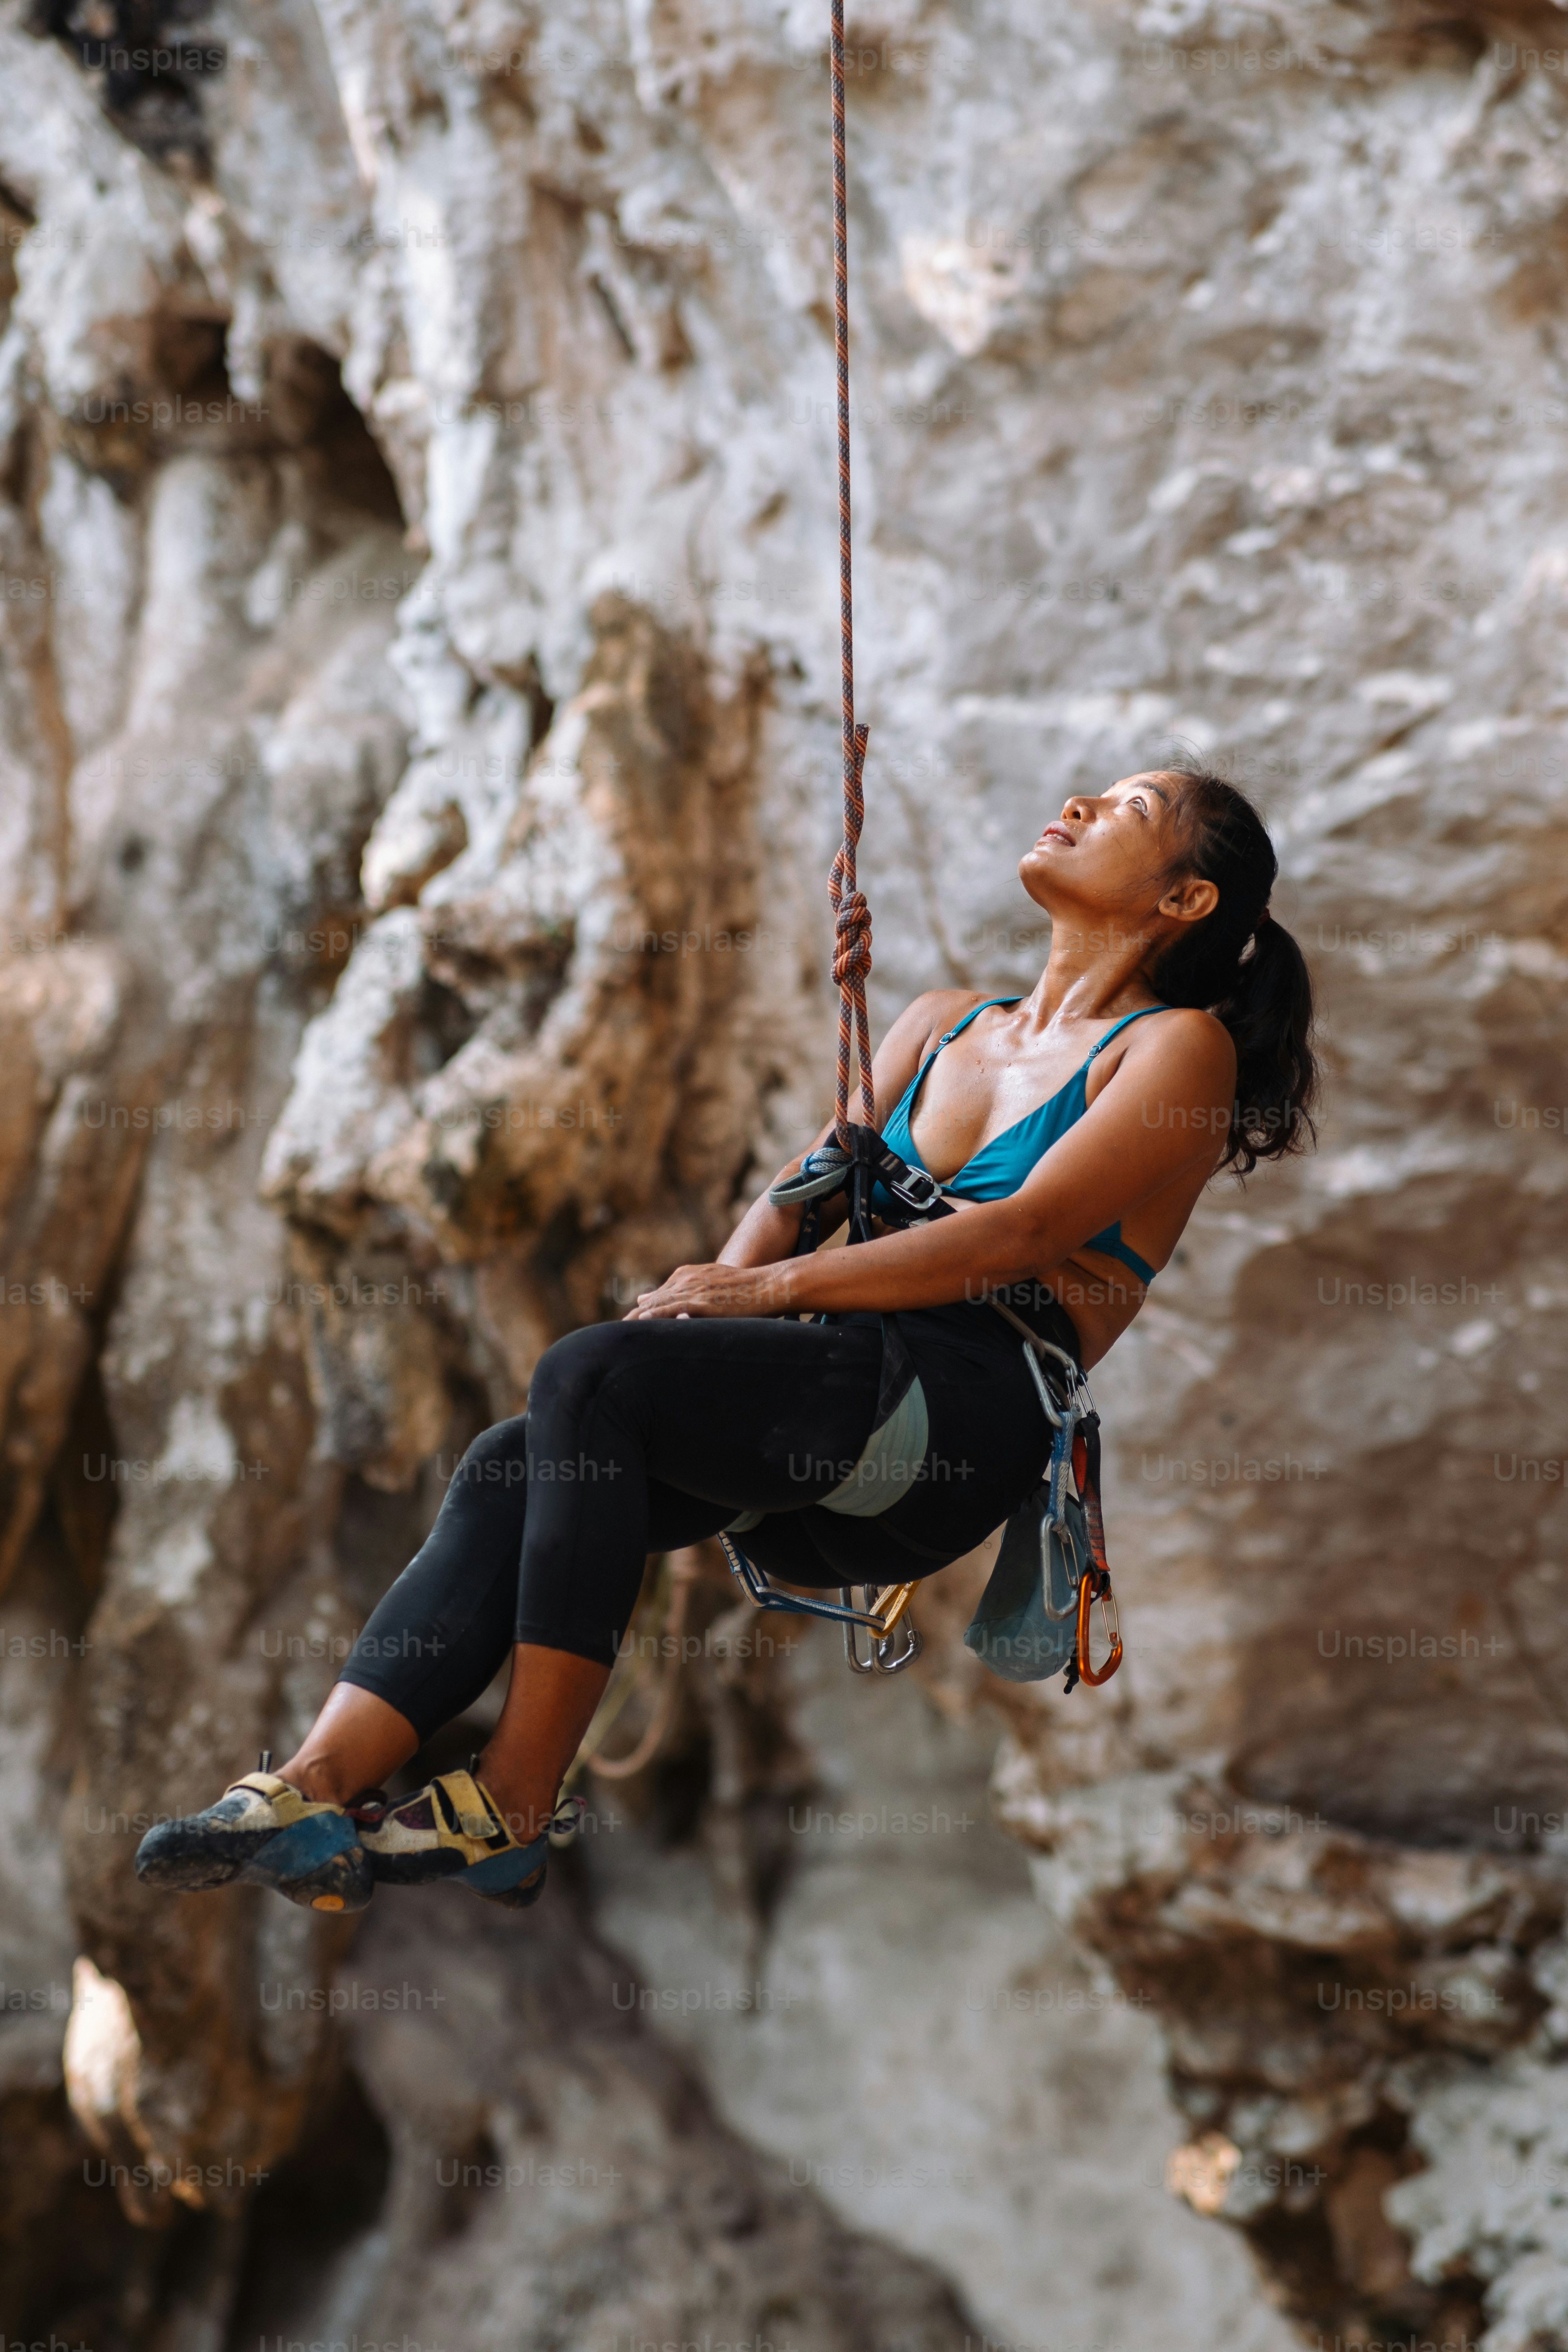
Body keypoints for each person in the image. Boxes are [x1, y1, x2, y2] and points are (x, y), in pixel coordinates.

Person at [135, 767, 1317, 1914]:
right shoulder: (937, 1024)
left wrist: (759, 1298)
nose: (1078, 805)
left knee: (584, 1377)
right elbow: (802, 1186)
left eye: (1130, 809)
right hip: (842, 1403)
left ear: (1185, 901)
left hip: (958, 1409)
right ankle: (311, 1791)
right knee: (521, 1454)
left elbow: (1021, 1234)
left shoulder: (1176, 1052)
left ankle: (512, 1798)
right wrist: (703, 1295)